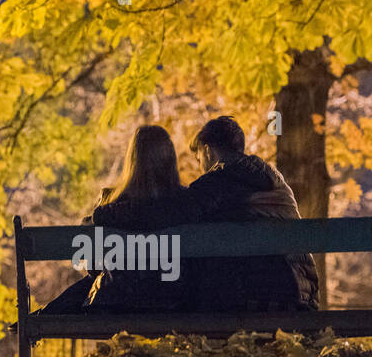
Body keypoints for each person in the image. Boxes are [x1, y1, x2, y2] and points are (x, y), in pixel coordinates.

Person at [90, 116, 318, 311]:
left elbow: (170, 212)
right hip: (293, 287)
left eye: (198, 158)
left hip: (274, 291)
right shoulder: (258, 175)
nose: (201, 167)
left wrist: (104, 214)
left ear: (207, 150)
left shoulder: (225, 178)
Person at [31, 125, 185, 315]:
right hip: (173, 302)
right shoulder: (187, 204)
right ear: (170, 159)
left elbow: (94, 268)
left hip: (114, 302)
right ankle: (44, 314)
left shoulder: (111, 204)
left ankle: (42, 316)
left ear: (133, 159)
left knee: (85, 288)